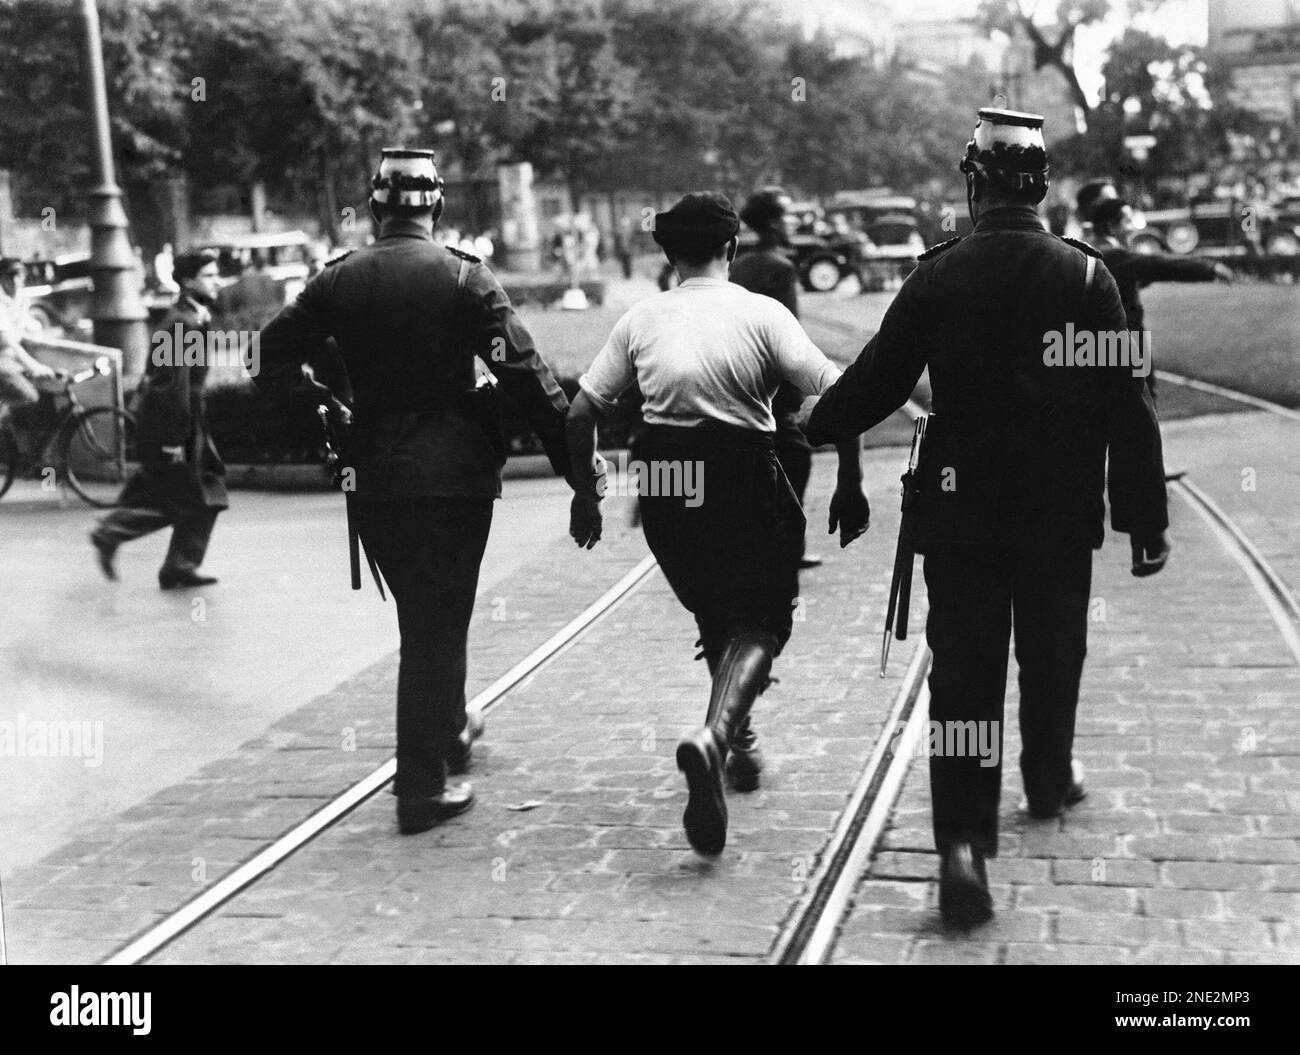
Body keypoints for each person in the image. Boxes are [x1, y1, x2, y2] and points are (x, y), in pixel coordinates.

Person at [803, 109, 1171, 927]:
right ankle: (1046, 777)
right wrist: (1143, 518)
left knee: (964, 682)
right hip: (1056, 516)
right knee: (1053, 653)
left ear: (974, 184)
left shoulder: (938, 276)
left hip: (961, 519)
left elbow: (877, 382)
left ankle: (962, 845)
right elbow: (1127, 404)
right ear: (1040, 188)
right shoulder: (1086, 279)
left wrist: (803, 432)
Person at [254, 148, 575, 836]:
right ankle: (420, 788)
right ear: (436, 207)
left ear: (375, 209)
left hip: (374, 473)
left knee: (426, 618)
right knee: (437, 624)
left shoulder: (334, 281)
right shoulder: (465, 276)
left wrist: (325, 409)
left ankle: (451, 730)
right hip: (456, 475)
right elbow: (527, 376)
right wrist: (577, 466)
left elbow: (267, 357)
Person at [565, 192, 869, 857]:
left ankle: (734, 738)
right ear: (731, 250)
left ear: (668, 256)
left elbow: (581, 413)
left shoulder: (642, 319)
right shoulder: (762, 313)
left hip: (667, 481)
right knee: (764, 620)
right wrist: (850, 479)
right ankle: (717, 735)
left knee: (712, 610)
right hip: (743, 473)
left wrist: (586, 495)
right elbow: (837, 392)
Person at [730, 187, 867, 572]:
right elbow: (787, 337)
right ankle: (788, 547)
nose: (794, 222)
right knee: (794, 457)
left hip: (738, 382)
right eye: (788, 216)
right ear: (774, 222)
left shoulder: (737, 264)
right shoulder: (779, 268)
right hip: (774, 391)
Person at [91, 250, 228, 589]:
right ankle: (113, 532)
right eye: (209, 275)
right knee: (189, 496)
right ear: (187, 281)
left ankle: (179, 565)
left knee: (206, 490)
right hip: (178, 422)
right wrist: (173, 440)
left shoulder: (194, 317)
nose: (217, 281)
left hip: (191, 418)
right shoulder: (182, 323)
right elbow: (170, 387)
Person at [1084, 194, 1233, 404]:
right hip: (1125, 344)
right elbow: (1160, 265)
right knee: (1143, 405)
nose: (1132, 228)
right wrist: (1210, 268)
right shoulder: (1112, 254)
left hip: (1102, 346)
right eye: (1127, 221)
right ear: (1111, 226)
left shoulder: (1091, 250)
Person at [0, 257, 55, 430]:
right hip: (3, 360)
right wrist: (34, 366)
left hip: (11, 359)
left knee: (45, 396)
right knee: (30, 396)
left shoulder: (20, 297)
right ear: (1, 277)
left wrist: (41, 332)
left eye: (20, 275)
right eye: (11, 275)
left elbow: (29, 323)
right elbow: (7, 341)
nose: (16, 280)